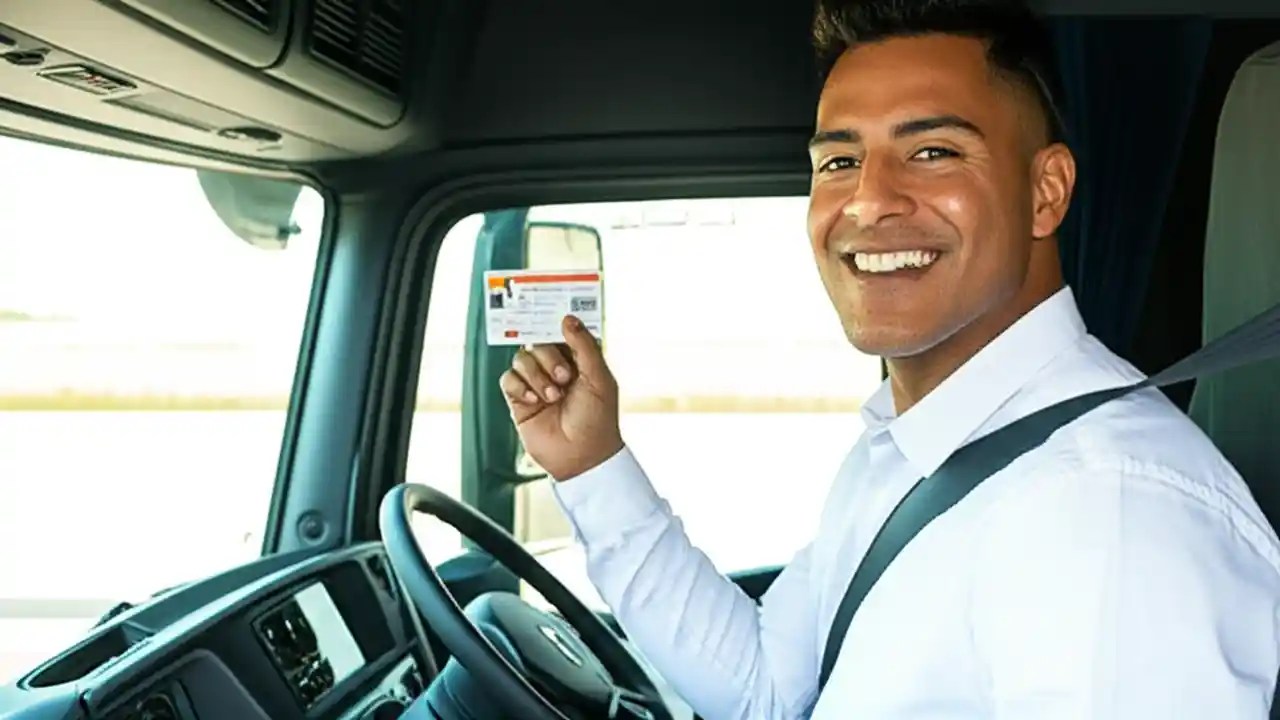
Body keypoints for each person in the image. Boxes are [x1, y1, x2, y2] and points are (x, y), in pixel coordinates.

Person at [499, 0, 1280, 717]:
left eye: (934, 151)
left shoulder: (1106, 513)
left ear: (1046, 193)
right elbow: (767, 690)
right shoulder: (907, 446)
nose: (868, 201)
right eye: (839, 162)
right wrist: (591, 464)